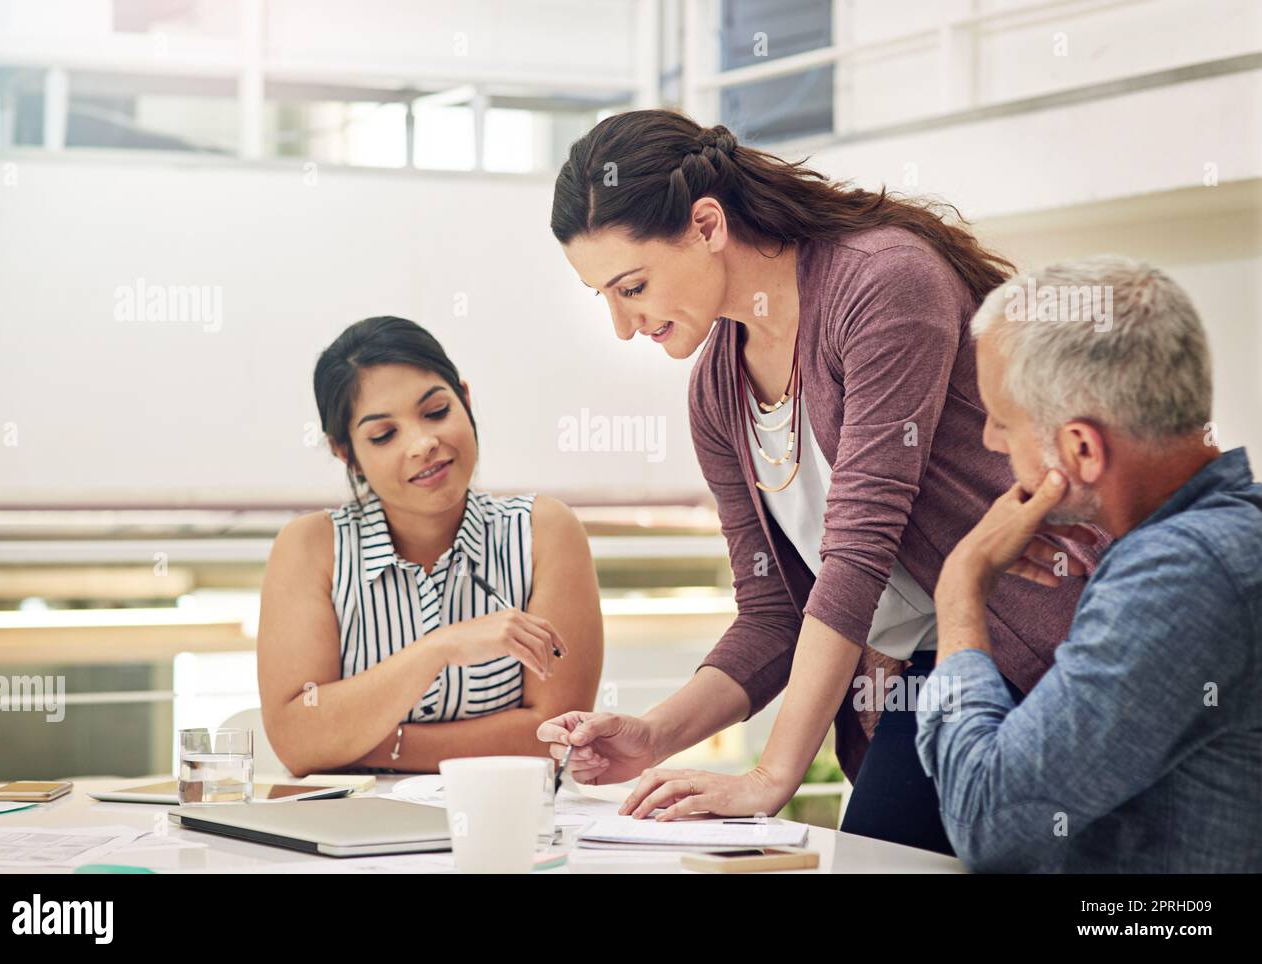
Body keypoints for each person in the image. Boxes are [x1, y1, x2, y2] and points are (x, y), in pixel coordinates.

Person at [537, 108, 1103, 854]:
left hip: (1041, 650)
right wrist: (655, 734)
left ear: (707, 226)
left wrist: (773, 773)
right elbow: (774, 610)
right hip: (919, 673)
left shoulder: (882, 283)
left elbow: (859, 553)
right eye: (603, 296)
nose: (622, 324)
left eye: (632, 286)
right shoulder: (716, 390)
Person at [915, 255, 1262, 872]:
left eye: (1002, 419)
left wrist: (962, 590)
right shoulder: (1225, 539)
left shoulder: (1180, 572)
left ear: (1079, 447)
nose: (992, 441)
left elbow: (987, 817)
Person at [258, 316, 603, 776]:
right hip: (351, 830)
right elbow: (297, 740)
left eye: (437, 411)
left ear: (464, 398)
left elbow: (554, 737)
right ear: (346, 453)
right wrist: (439, 648)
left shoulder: (543, 531)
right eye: (383, 435)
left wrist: (367, 744)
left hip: (505, 820)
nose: (423, 444)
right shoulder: (312, 548)